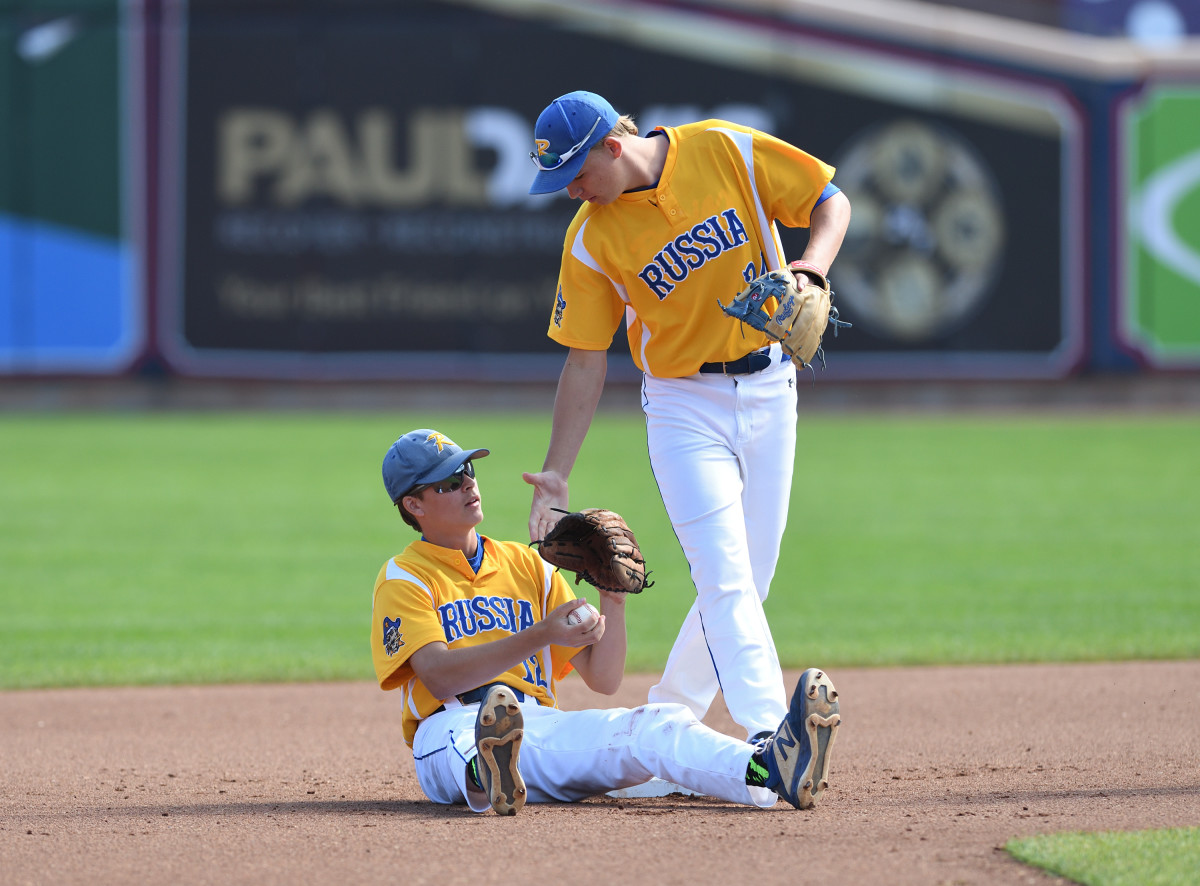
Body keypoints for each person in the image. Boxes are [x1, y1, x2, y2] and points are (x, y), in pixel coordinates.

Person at [522, 91, 853, 761]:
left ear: (613, 145)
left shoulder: (724, 148)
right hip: (682, 406)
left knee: (751, 579)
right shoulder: (590, 237)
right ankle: (774, 735)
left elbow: (830, 200)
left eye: (576, 174)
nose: (572, 191)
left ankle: (664, 726)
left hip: (771, 386)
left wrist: (812, 268)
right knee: (725, 576)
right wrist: (556, 472)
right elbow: (585, 358)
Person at [370, 427, 841, 815]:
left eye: (468, 471)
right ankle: (486, 770)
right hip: (447, 726)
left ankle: (768, 769)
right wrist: (540, 635)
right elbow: (438, 675)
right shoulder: (405, 576)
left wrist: (612, 601)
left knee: (655, 724)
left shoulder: (525, 564)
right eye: (448, 482)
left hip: (539, 727)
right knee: (468, 743)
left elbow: (604, 677)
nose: (468, 484)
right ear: (414, 505)